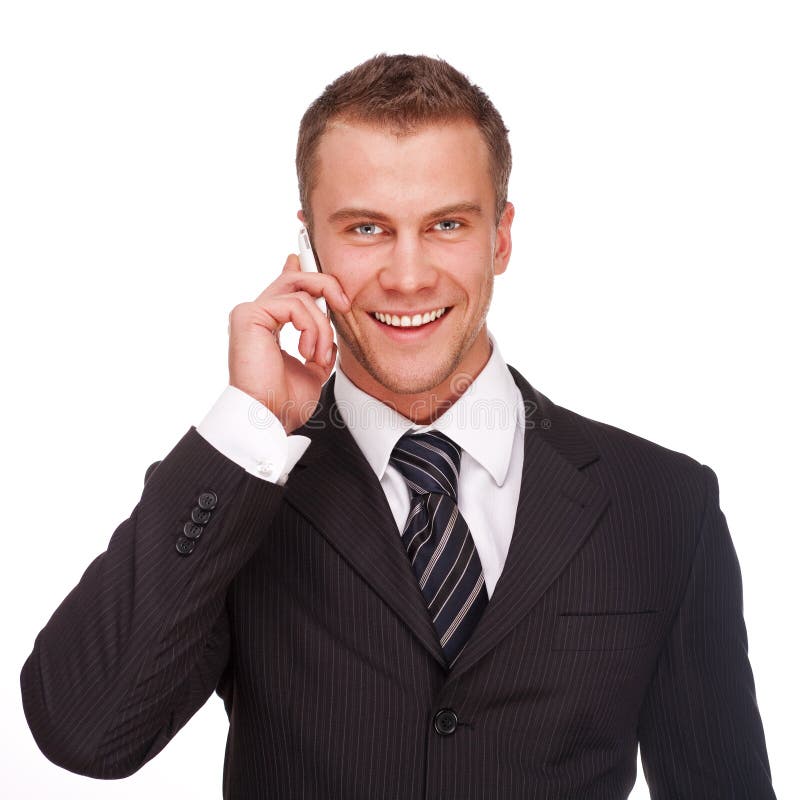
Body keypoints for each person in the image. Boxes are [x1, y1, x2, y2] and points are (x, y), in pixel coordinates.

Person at [20, 54, 776, 799]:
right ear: (311, 245)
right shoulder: (241, 487)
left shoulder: (664, 503)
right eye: (366, 228)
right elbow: (85, 732)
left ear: (501, 238)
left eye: (447, 224)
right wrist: (251, 425)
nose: (408, 277)